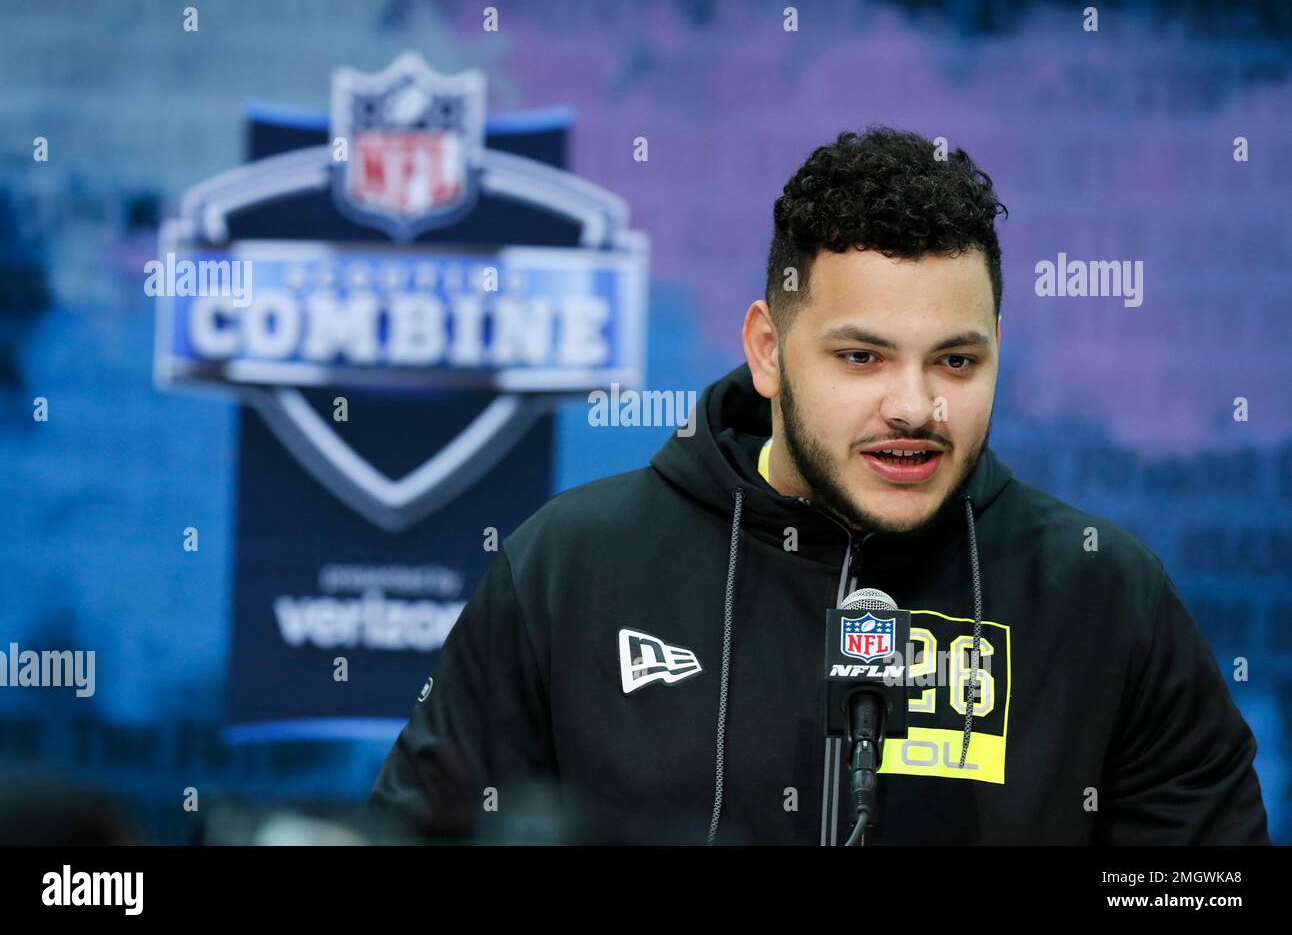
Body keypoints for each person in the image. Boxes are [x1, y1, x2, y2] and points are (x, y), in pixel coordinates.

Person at [368, 126, 1270, 845]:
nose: (914, 406)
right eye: (862, 357)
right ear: (768, 350)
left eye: (955, 361)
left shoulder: (1102, 593)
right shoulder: (570, 568)